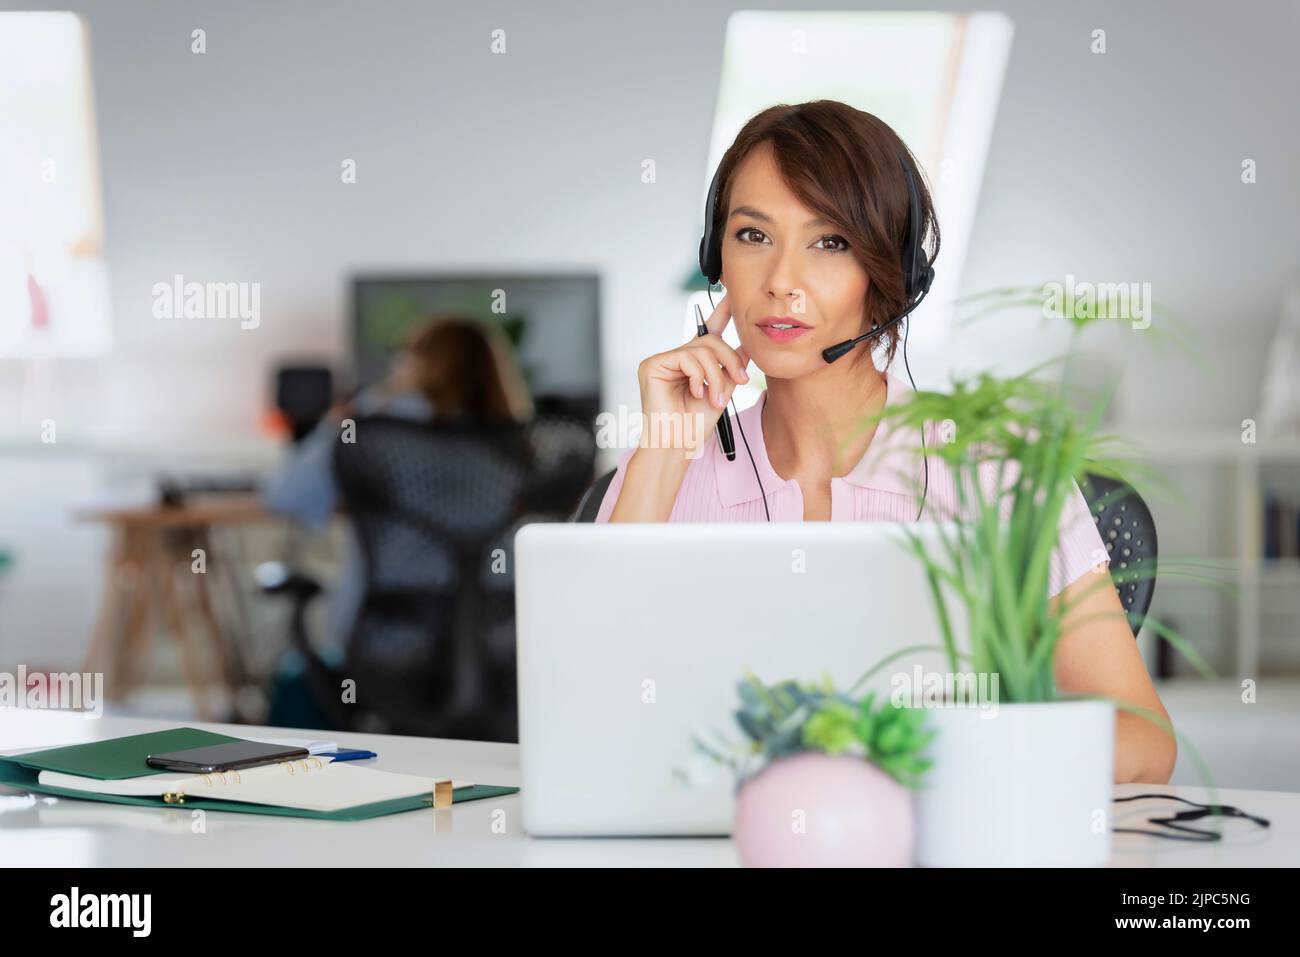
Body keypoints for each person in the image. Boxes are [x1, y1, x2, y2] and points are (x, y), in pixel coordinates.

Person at [594, 100, 1174, 784]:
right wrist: (663, 452)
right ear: (715, 258)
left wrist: (921, 743)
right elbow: (591, 716)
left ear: (892, 276)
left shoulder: (999, 467)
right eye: (753, 236)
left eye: (830, 241)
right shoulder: (662, 468)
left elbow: (1143, 742)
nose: (781, 282)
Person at [263, 315, 533, 652]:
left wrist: (336, 423)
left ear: (414, 364)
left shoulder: (376, 420)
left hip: (389, 636)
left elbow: (283, 494)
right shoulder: (521, 441)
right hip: (499, 640)